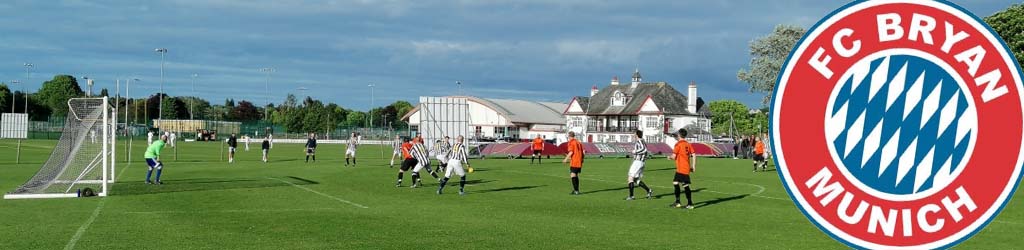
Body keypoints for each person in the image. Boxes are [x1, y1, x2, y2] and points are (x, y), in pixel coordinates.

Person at [669, 129, 696, 209]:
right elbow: (694, 155)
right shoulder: (688, 144)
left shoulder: (678, 144)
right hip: (685, 167)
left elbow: (673, 157)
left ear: (679, 135)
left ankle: (690, 204)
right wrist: (693, 166)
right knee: (675, 182)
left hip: (681, 168)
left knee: (684, 185)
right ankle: (678, 202)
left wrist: (669, 157)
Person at [625, 130, 653, 200]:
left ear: (637, 134)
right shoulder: (641, 141)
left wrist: (635, 151)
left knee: (630, 178)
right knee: (635, 179)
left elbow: (644, 149)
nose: (633, 135)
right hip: (640, 162)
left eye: (634, 134)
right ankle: (649, 190)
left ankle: (631, 196)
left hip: (638, 162)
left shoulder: (639, 141)